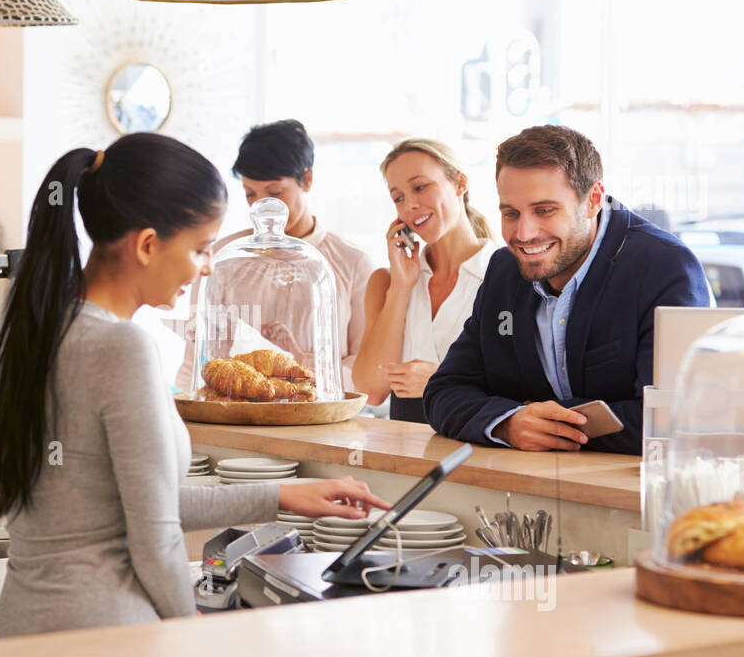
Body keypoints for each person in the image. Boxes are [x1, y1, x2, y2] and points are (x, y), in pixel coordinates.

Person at [0, 133, 390, 638]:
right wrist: (188, 634)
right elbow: (154, 533)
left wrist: (285, 494)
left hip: (24, 623)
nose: (206, 266)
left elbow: (136, 500)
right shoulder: (122, 347)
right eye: (200, 249)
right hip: (103, 633)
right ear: (148, 245)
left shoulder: (37, 328)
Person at [421, 125, 710, 455]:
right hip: (535, 488)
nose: (524, 233)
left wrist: (547, 422)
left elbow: (678, 416)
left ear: (593, 201)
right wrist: (509, 422)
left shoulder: (665, 268)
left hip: (634, 494)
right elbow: (444, 391)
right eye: (510, 213)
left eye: (544, 210)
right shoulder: (504, 269)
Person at [175, 119, 375, 393]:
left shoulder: (352, 263)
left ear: (307, 179)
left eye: (275, 192)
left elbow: (364, 372)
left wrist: (300, 360)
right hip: (236, 417)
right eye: (250, 194)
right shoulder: (222, 259)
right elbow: (195, 359)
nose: (262, 204)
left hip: (318, 419)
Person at [353, 139, 498, 423]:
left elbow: (525, 389)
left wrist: (441, 378)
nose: (411, 205)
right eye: (398, 198)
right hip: (399, 459)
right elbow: (371, 390)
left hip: (475, 453)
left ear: (460, 184)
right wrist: (401, 288)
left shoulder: (505, 276)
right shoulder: (386, 282)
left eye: (420, 187)